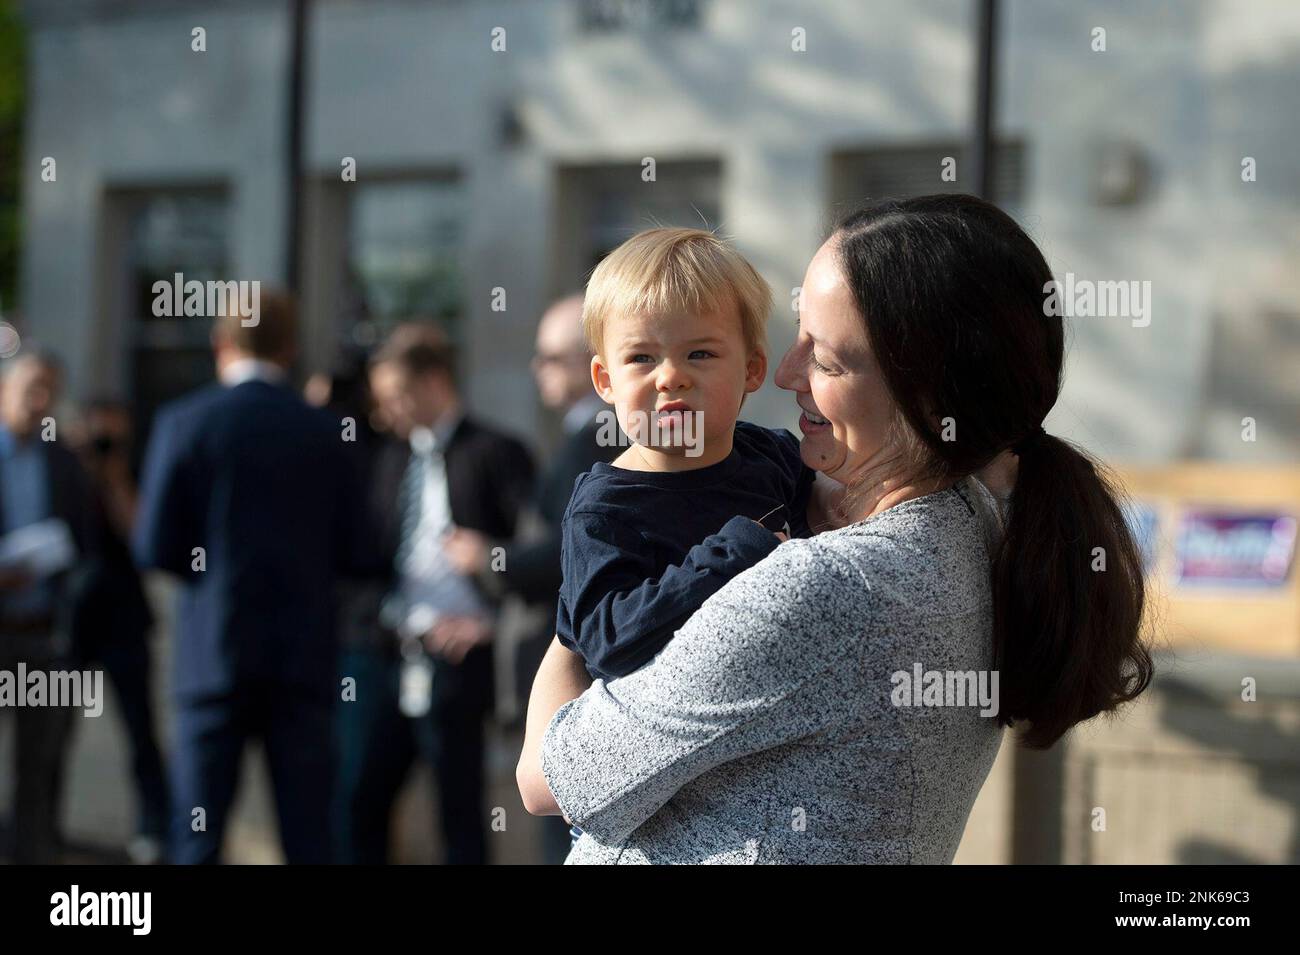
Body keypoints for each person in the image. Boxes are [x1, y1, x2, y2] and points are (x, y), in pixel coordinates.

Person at [518, 195, 1154, 864]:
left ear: (923, 391)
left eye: (825, 360)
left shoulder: (820, 586)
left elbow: (548, 779)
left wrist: (567, 634)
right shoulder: (975, 520)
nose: (784, 372)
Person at [133, 291, 362, 864]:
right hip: (303, 661)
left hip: (212, 658)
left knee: (197, 839)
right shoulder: (325, 431)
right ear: (290, 348)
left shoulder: (184, 422)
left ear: (221, 344)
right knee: (309, 840)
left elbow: (153, 547)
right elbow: (359, 551)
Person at [335, 323, 534, 865]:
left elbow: (541, 557)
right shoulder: (389, 459)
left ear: (434, 381)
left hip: (459, 661)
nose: (386, 412)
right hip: (388, 652)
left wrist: (490, 618)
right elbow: (362, 556)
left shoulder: (496, 452)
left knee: (459, 809)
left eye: (397, 395)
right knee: (360, 796)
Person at [441, 294, 619, 863]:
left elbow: (571, 554)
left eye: (551, 357)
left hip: (574, 668)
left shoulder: (599, 435)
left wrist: (490, 558)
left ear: (594, 364)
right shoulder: (585, 433)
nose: (538, 369)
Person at [0, 348, 96, 864]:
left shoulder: (62, 461)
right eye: (31, 389)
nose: (40, 402)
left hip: (44, 635)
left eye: (50, 392)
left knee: (41, 767)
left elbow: (85, 543)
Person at [70, 399, 169, 864]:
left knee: (141, 732)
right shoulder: (61, 471)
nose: (106, 447)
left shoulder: (133, 473)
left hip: (125, 621)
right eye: (99, 438)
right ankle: (41, 824)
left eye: (115, 439)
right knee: (50, 733)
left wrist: (115, 478)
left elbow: (141, 538)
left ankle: (155, 828)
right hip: (72, 623)